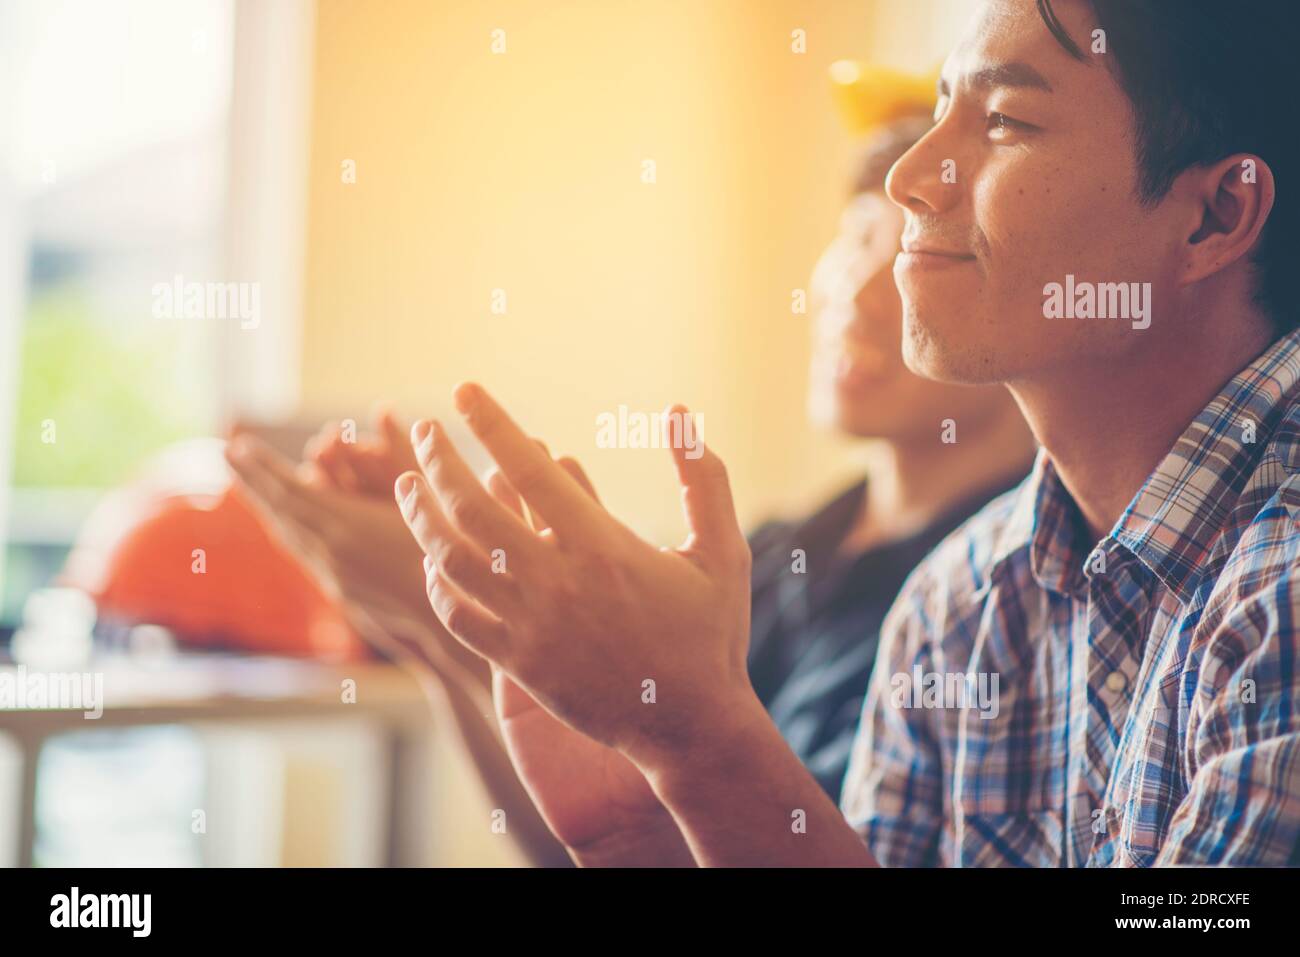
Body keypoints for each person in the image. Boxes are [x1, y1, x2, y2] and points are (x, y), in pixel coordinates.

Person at [389, 0, 1300, 866]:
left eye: (1008, 122)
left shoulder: (1281, 593)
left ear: (1216, 215)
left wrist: (698, 737)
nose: (907, 178)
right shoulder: (959, 604)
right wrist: (637, 833)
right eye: (944, 106)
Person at [225, 103, 1034, 859]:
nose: (855, 294)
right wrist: (435, 626)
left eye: (909, 255)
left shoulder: (997, 602)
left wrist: (469, 615)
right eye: (856, 238)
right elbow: (596, 839)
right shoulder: (781, 552)